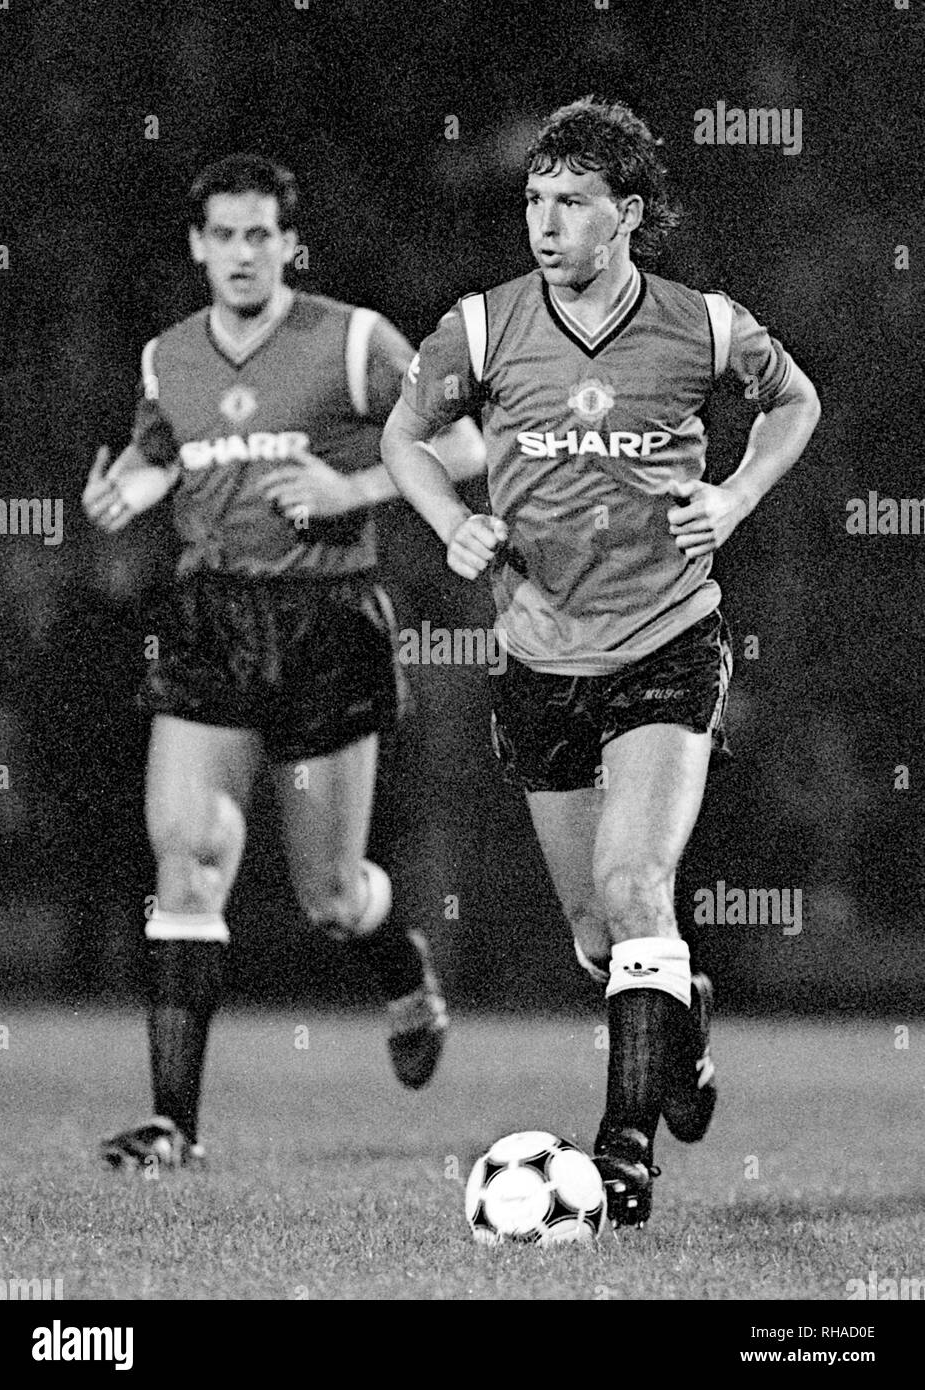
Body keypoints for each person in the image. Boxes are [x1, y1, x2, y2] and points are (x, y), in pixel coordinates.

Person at [381, 98, 820, 1225]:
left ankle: (623, 1158)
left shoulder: (703, 324)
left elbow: (794, 399)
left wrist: (731, 495)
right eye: (534, 200)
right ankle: (680, 1020)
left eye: (570, 203)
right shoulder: (480, 329)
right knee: (599, 934)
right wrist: (449, 519)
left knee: (636, 888)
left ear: (625, 215)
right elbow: (403, 437)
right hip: (539, 657)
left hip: (670, 641)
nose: (543, 222)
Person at [83, 153, 486, 1171]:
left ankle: (402, 969)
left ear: (285, 242)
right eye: (223, 235)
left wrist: (352, 492)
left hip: (325, 625)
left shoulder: (351, 342)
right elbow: (157, 452)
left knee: (329, 893)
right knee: (189, 855)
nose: (242, 253)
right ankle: (175, 1123)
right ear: (197, 245)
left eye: (261, 233)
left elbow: (470, 447)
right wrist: (127, 488)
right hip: (212, 621)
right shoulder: (164, 356)